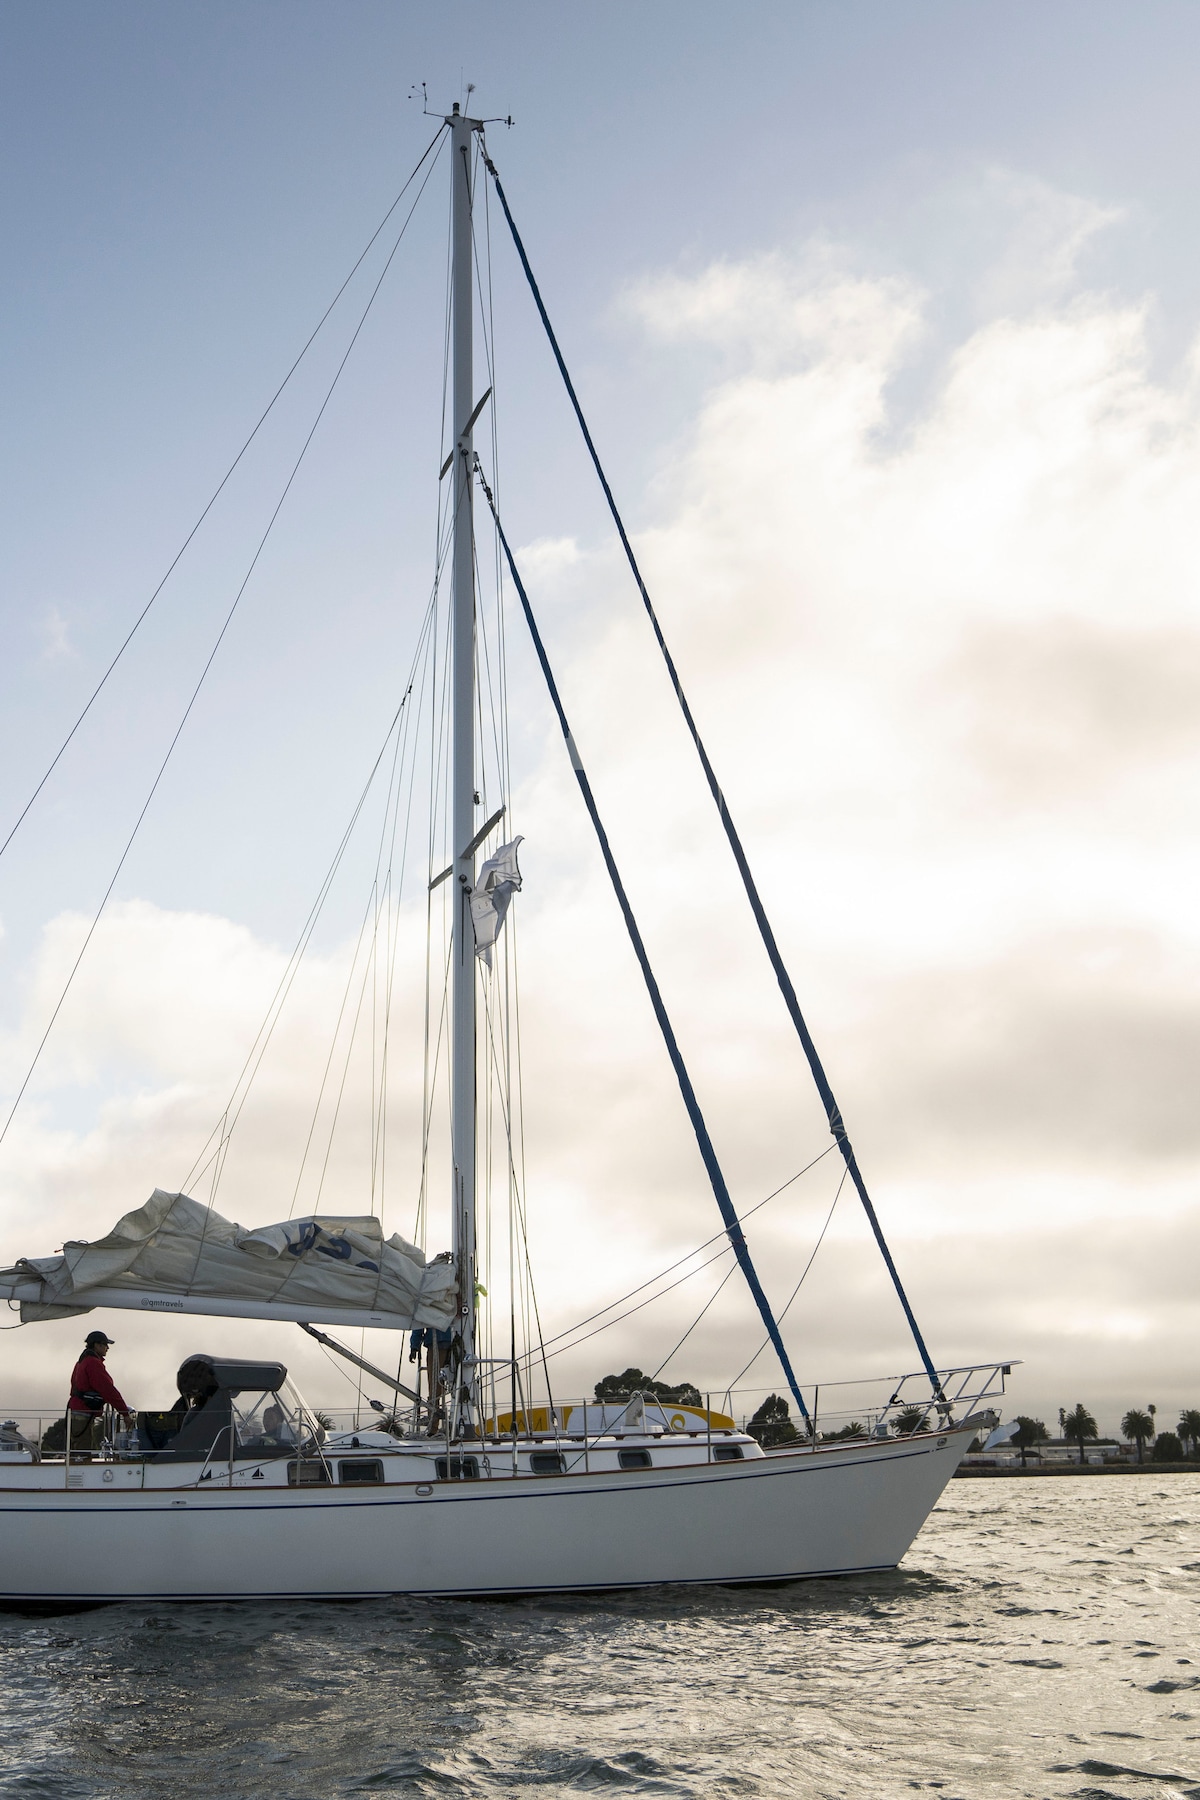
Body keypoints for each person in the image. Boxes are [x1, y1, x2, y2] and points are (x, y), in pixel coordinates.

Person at [68, 1330, 132, 1457]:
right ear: (96, 1345)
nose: (107, 1348)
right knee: (83, 1452)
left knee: (78, 1451)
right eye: (105, 1344)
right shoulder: (93, 1363)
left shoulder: (81, 1362)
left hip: (77, 1411)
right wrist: (124, 1413)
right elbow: (108, 1389)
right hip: (84, 1413)